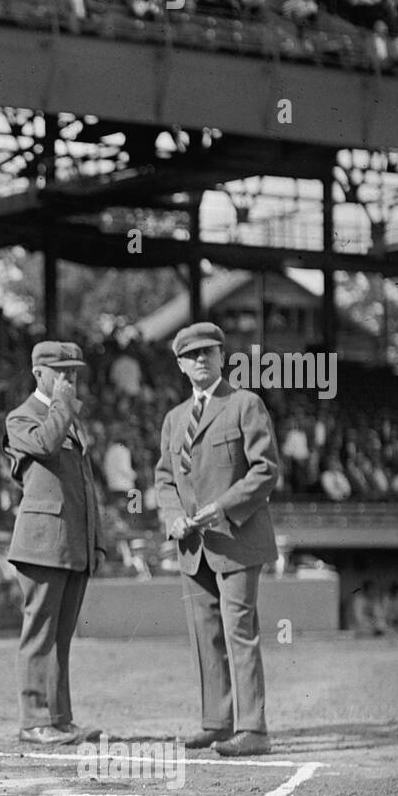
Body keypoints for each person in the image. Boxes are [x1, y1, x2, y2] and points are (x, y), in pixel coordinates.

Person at [155, 322, 279, 757]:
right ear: (181, 366)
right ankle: (216, 721)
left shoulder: (245, 404)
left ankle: (253, 729)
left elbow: (265, 470)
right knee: (204, 633)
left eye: (209, 352)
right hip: (192, 545)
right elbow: (164, 479)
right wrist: (172, 517)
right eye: (192, 356)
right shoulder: (174, 419)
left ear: (222, 357)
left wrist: (223, 506)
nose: (201, 360)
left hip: (237, 537)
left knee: (238, 629)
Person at [2, 341, 106, 747]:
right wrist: (62, 403)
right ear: (39, 373)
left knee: (61, 638)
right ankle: (34, 721)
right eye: (61, 371)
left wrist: (96, 542)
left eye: (74, 373)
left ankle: (60, 720)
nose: (70, 379)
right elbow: (45, 445)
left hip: (73, 544)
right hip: (41, 544)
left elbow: (85, 487)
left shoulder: (68, 419)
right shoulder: (21, 417)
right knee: (40, 634)